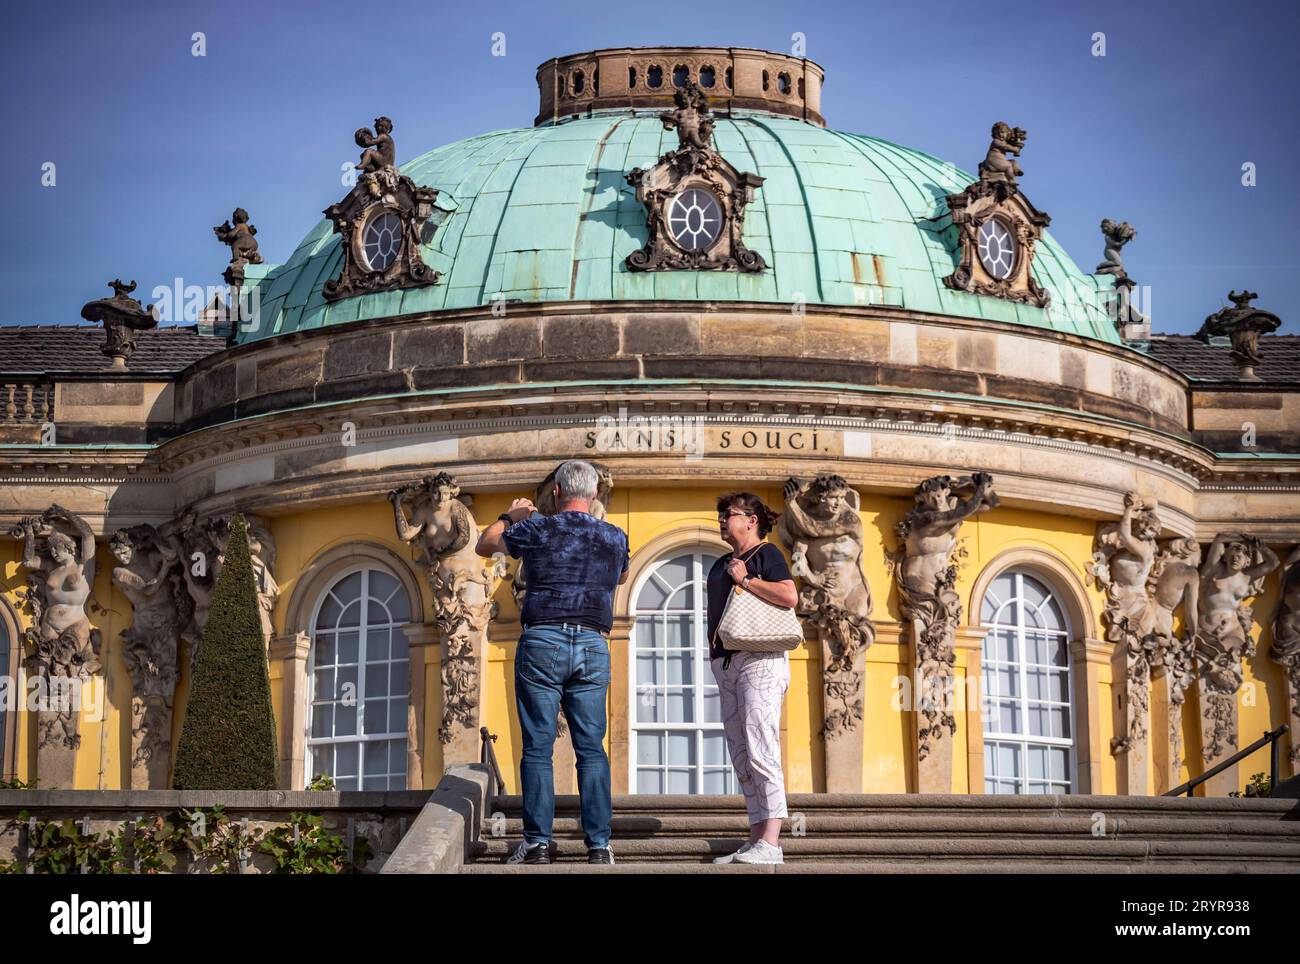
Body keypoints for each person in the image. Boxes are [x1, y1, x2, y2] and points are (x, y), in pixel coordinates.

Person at [475, 460, 629, 865]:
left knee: (538, 748)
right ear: (594, 495)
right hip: (593, 643)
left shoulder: (537, 528)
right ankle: (599, 846)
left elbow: (485, 543)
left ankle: (537, 844)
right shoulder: (614, 536)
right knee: (591, 750)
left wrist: (514, 515)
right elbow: (621, 577)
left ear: (557, 492)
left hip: (544, 638)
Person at [706, 491, 798, 865]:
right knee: (741, 754)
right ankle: (756, 836)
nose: (722, 520)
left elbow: (790, 596)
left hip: (761, 657)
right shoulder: (721, 563)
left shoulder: (766, 555)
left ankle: (772, 842)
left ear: (751, 520)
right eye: (721, 514)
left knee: (762, 745)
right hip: (727, 664)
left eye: (728, 513)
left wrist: (746, 581)